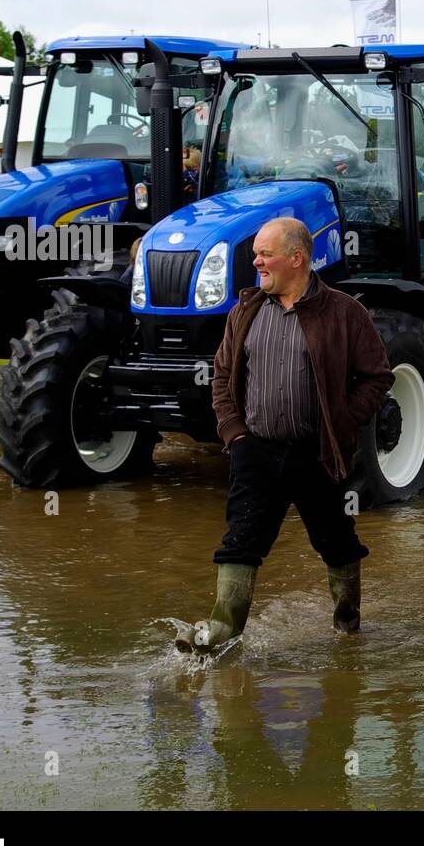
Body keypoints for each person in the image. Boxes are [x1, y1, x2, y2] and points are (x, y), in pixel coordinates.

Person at [176, 217, 394, 653]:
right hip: (254, 452)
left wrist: (342, 423)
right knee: (240, 541)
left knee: (336, 542)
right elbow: (221, 377)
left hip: (318, 455)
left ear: (296, 258)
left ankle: (346, 628)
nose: (255, 260)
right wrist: (235, 434)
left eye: (264, 253)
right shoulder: (245, 310)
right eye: (256, 253)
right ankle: (222, 633)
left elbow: (376, 378)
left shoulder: (345, 313)